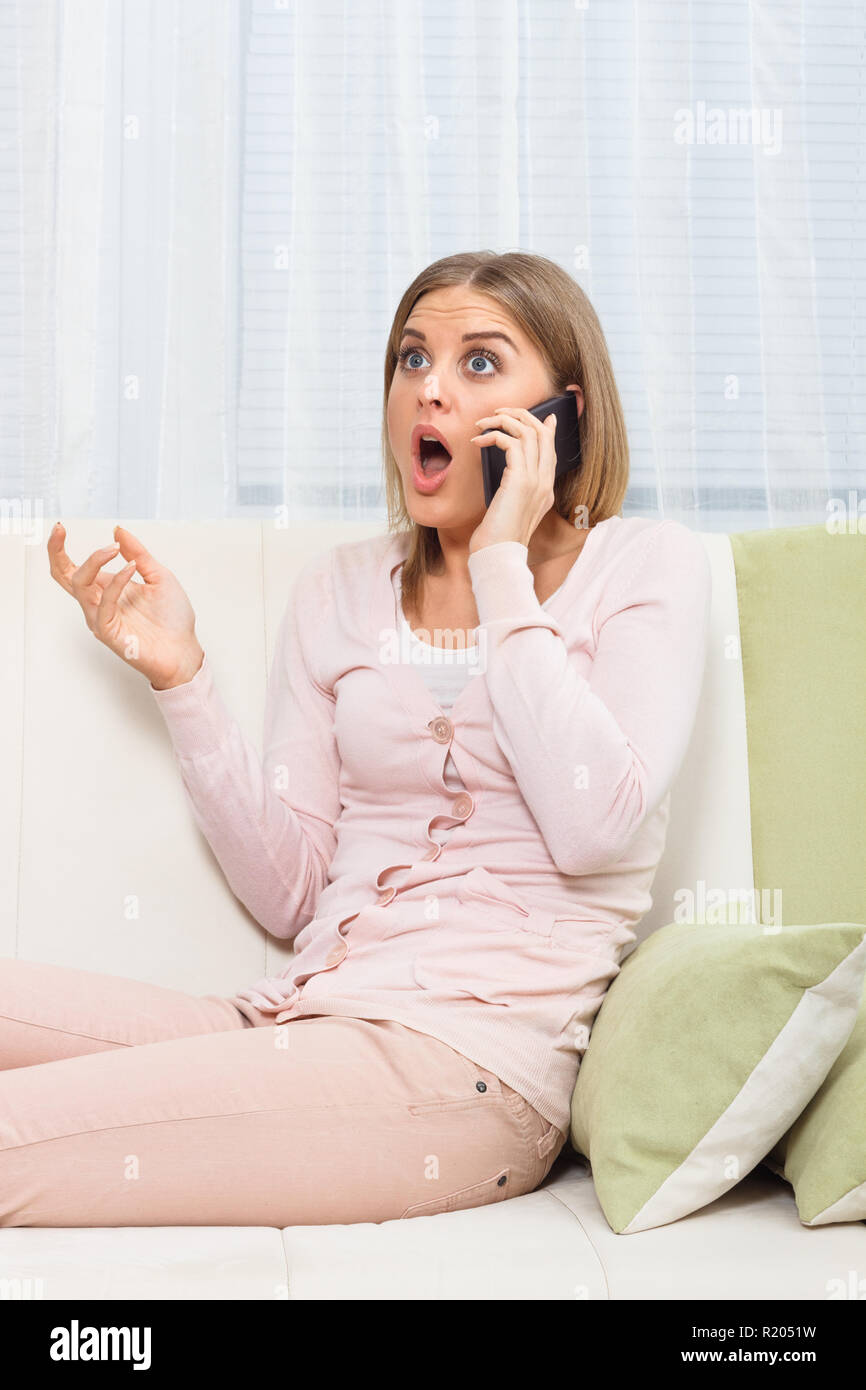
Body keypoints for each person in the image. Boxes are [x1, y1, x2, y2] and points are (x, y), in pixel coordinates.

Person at [3, 250, 711, 1228]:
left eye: (477, 363)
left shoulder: (643, 566)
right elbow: (292, 890)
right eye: (411, 358)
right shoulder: (336, 590)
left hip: (465, 1066)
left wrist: (502, 560)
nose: (428, 389)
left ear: (562, 417)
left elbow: (595, 825)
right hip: (293, 1020)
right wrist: (184, 677)